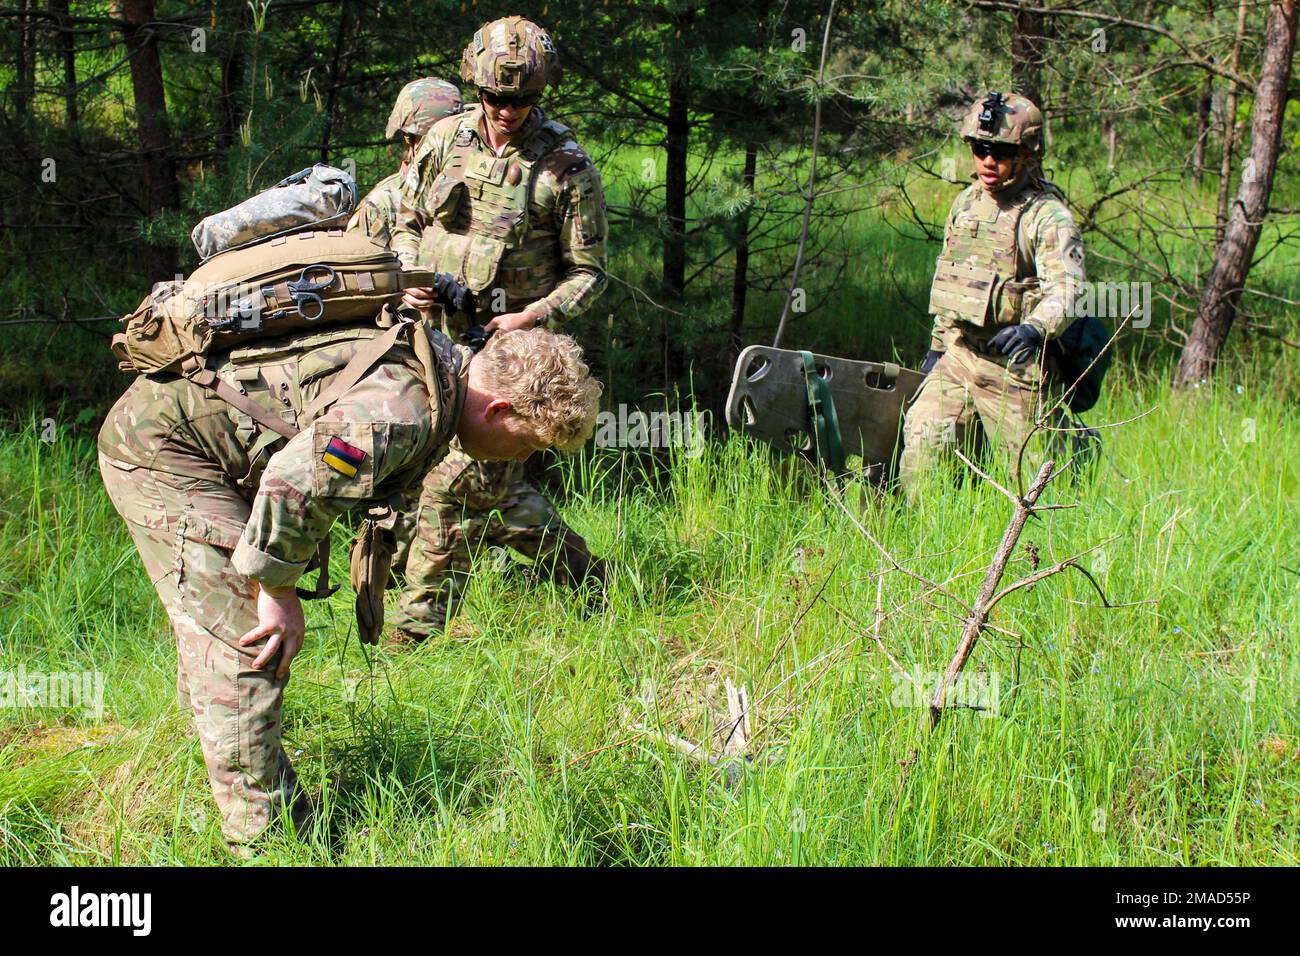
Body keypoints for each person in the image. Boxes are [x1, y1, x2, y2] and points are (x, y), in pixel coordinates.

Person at [98, 320, 601, 855]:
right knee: (251, 640)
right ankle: (268, 838)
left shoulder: (442, 372)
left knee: (221, 624)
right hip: (165, 452)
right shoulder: (401, 413)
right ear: (498, 410)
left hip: (202, 445)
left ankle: (209, 749)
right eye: (527, 444)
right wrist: (279, 591)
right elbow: (296, 481)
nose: (521, 461)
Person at [386, 15, 610, 643]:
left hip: (508, 357)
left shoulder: (565, 168)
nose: (508, 111)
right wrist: (411, 275)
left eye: (524, 99)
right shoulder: (443, 140)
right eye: (496, 97)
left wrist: (529, 318)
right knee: (428, 467)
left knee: (465, 483)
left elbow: (590, 276)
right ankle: (587, 581)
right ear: (476, 87)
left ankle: (418, 627)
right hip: (429, 336)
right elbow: (405, 218)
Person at [899, 91, 1087, 493]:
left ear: (1027, 154)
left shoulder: (1046, 217)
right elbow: (953, 281)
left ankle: (1077, 463)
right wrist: (937, 349)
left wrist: (1035, 329)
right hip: (961, 355)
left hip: (1015, 368)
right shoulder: (965, 204)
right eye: (980, 148)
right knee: (922, 452)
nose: (987, 160)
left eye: (1000, 151)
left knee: (1036, 485)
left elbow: (1069, 288)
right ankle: (924, 544)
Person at [348, 77, 464, 248]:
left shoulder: (472, 190)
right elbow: (357, 264)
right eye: (431, 141)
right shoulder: (383, 203)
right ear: (409, 139)